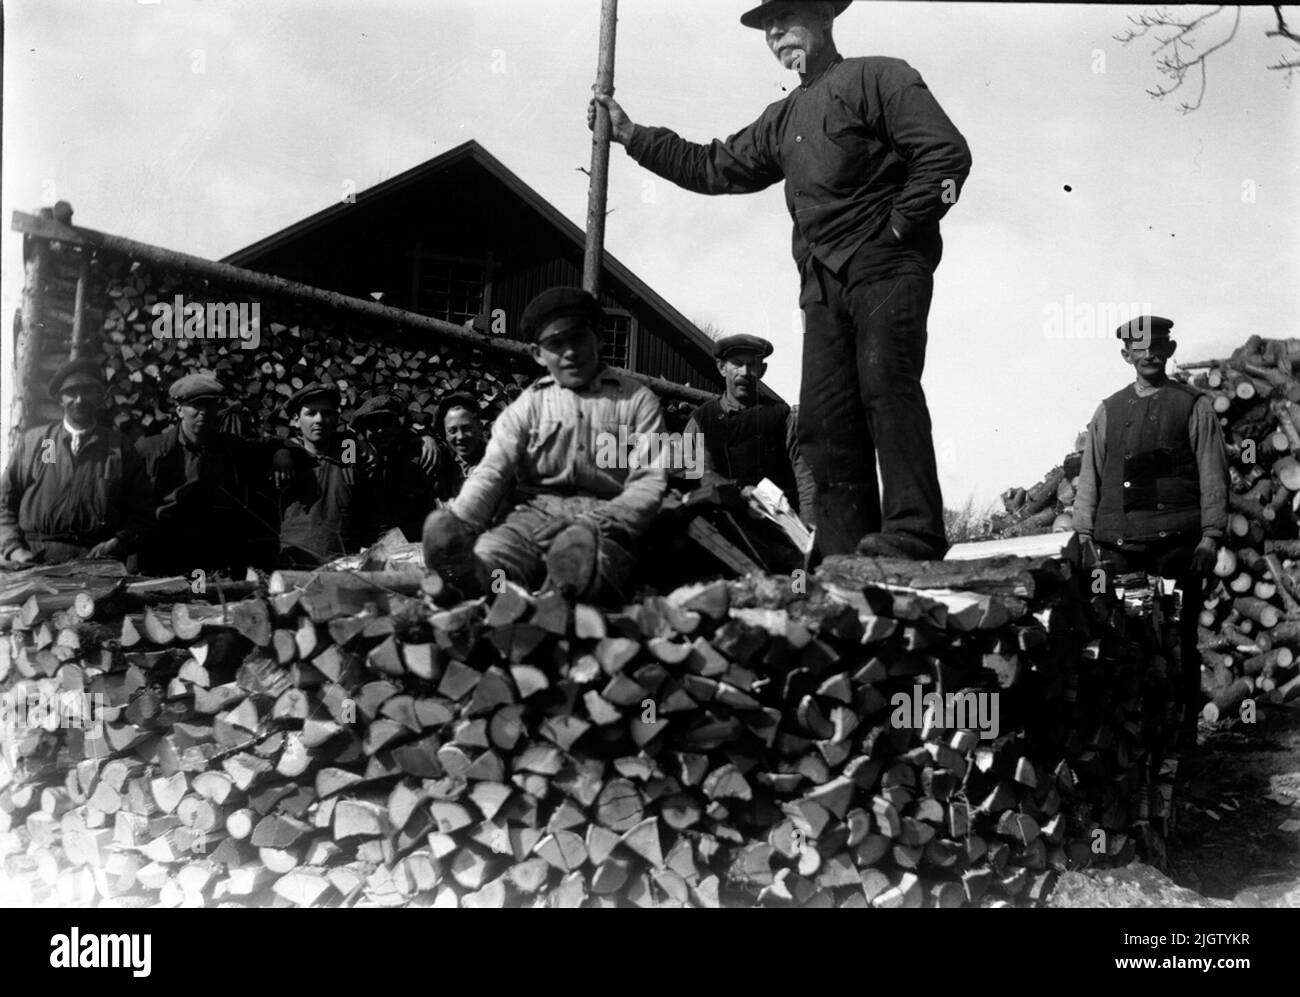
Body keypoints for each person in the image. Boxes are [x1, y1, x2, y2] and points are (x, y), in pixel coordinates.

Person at [588, 0, 971, 560]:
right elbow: (714, 166)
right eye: (765, 28)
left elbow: (946, 157)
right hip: (821, 283)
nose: (773, 34)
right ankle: (845, 550)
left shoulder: (878, 75)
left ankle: (913, 532)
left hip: (886, 268)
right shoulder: (783, 118)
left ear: (823, 18)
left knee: (887, 390)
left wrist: (896, 231)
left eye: (783, 20)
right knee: (822, 420)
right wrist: (631, 136)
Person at [423, 287, 668, 601]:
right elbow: (492, 470)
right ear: (538, 354)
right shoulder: (529, 405)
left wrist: (590, 523)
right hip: (531, 517)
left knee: (589, 563)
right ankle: (479, 583)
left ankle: (563, 597)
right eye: (555, 344)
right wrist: (461, 523)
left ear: (599, 338)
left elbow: (649, 482)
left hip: (602, 522)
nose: (569, 353)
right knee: (493, 554)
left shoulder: (638, 401)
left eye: (578, 338)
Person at [1073, 316, 1229, 744]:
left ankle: (1180, 743)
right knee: (1119, 644)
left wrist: (1211, 536)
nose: (1149, 354)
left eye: (1158, 346)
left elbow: (1213, 473)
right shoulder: (1108, 410)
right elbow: (1091, 477)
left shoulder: (1193, 405)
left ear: (1171, 349)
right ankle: (1130, 745)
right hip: (1118, 547)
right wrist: (1084, 535)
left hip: (1177, 547)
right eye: (1140, 348)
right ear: (1126, 355)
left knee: (1178, 643)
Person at [0, 359, 152, 565]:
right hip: (34, 560)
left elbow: (141, 513)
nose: (80, 399)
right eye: (72, 392)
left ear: (100, 397)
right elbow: (4, 504)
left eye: (88, 391)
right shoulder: (38, 443)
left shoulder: (119, 448)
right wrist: (15, 550)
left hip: (96, 561)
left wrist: (117, 542)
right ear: (60, 398)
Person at [135, 372, 287, 576]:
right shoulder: (149, 450)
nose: (204, 412)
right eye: (196, 406)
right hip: (162, 556)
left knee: (203, 605)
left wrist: (282, 454)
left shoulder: (230, 447)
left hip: (211, 560)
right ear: (180, 410)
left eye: (210, 405)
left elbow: (273, 444)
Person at [683, 333, 815, 516]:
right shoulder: (701, 420)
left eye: (752, 365)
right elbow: (695, 473)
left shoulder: (781, 415)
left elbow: (806, 476)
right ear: (722, 368)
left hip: (780, 526)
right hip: (724, 525)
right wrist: (738, 492)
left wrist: (808, 527)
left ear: (762, 370)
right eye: (737, 364)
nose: (744, 372)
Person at [277, 383, 382, 567]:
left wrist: (356, 442)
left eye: (326, 413)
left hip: (344, 565)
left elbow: (366, 501)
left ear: (335, 417)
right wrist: (282, 449)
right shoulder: (286, 457)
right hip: (294, 566)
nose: (319, 419)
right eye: (311, 413)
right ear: (295, 420)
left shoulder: (347, 451)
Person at [351, 393, 438, 542]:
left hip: (413, 543)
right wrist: (356, 442)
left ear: (398, 425)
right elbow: (341, 444)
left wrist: (428, 437)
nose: (380, 430)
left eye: (386, 422)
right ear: (364, 431)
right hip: (367, 544)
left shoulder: (417, 453)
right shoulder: (354, 454)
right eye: (372, 425)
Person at [430, 392, 487, 504]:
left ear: (480, 428)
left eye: (467, 428)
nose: (460, 437)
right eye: (452, 431)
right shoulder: (441, 463)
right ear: (445, 434)